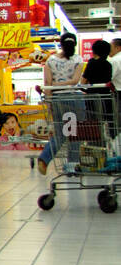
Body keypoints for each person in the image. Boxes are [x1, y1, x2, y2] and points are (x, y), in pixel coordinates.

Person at [36, 33, 84, 175]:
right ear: (74, 44)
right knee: (74, 134)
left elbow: (47, 84)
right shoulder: (78, 59)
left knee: (60, 134)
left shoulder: (50, 60)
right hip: (74, 99)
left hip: (57, 99)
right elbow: (75, 81)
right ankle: (71, 166)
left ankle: (44, 158)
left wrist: (50, 99)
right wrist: (65, 84)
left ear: (61, 44)